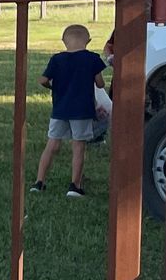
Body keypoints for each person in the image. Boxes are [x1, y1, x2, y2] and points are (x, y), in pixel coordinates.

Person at [33, 24, 109, 197]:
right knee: (78, 146)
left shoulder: (56, 59)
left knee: (52, 144)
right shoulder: (92, 59)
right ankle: (75, 186)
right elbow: (100, 83)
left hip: (60, 109)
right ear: (88, 41)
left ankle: (39, 182)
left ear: (63, 41)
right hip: (82, 111)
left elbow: (43, 79)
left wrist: (50, 86)